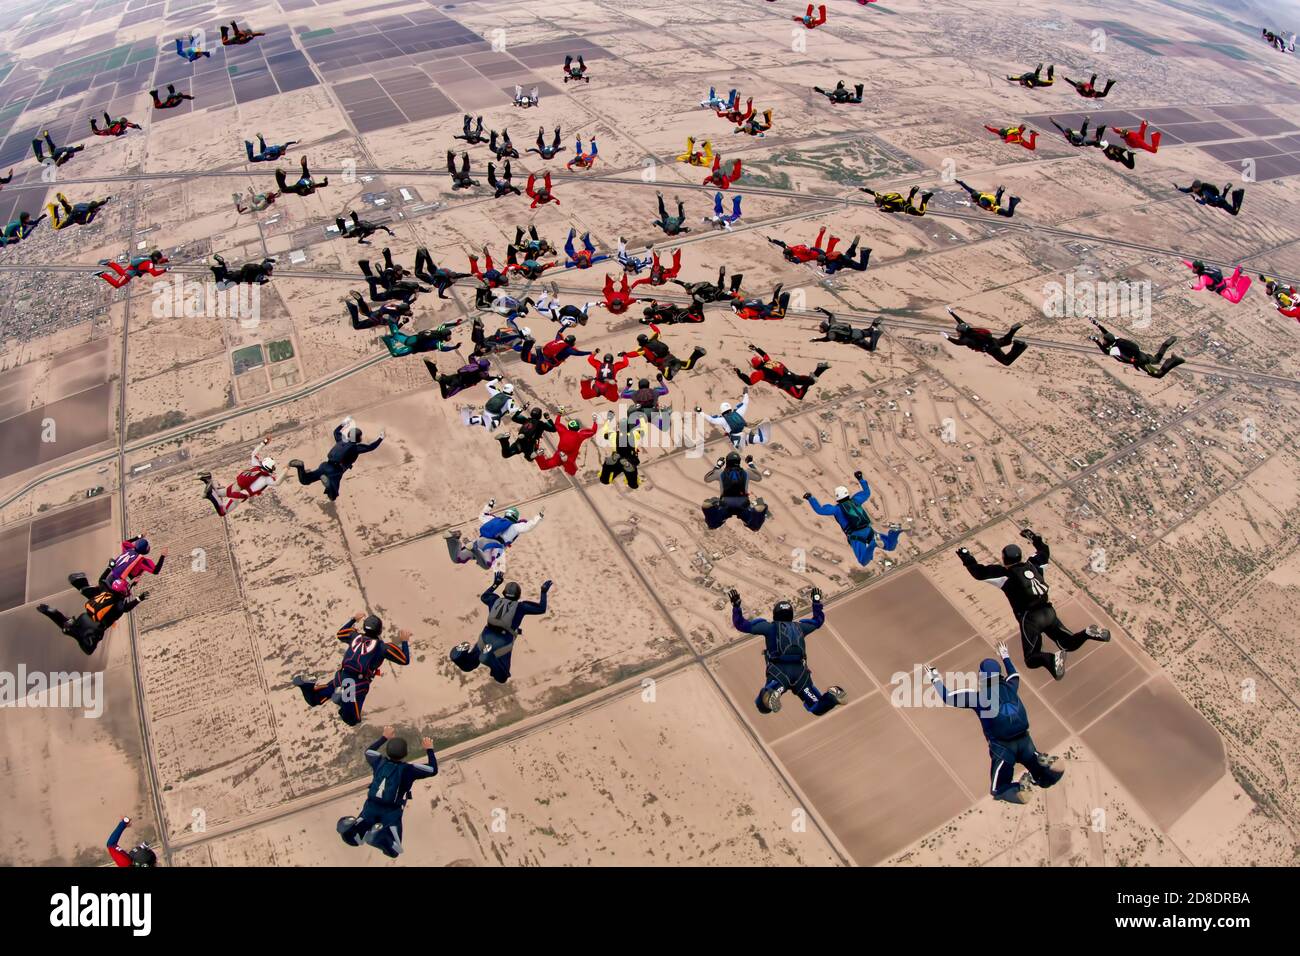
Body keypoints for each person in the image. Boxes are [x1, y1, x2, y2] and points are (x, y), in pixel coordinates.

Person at [957, 529, 1110, 679]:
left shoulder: (1005, 574)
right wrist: (1033, 537)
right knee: (1067, 643)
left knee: (1031, 659)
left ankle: (1051, 659)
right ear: (1020, 556)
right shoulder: (1034, 564)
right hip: (1048, 612)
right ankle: (1087, 633)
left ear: (1004, 559)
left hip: (1030, 619)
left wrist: (965, 556)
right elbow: (1044, 550)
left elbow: (978, 572)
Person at [925, 644, 1063, 804]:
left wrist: (934, 678)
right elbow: (1014, 674)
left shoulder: (978, 698)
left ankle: (1021, 789)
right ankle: (1049, 769)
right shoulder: (1010, 687)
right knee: (1041, 774)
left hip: (1003, 747)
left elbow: (948, 697)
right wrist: (1005, 655)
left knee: (999, 789)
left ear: (982, 676)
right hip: (1025, 742)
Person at [731, 587, 844, 715]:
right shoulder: (801, 627)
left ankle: (772, 694)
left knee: (762, 705)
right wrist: (816, 602)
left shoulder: (769, 627)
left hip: (779, 673)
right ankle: (832, 697)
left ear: (775, 614)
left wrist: (736, 606)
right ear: (791, 614)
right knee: (817, 707)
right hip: (800, 674)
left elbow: (741, 625)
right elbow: (818, 621)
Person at [337, 728, 437, 858]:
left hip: (371, 806)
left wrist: (384, 737)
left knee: (358, 834)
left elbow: (369, 752)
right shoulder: (408, 770)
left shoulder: (379, 762)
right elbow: (433, 769)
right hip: (391, 811)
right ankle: (377, 836)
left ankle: (349, 829)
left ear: (388, 751)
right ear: (405, 754)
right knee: (394, 850)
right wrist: (429, 749)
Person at [294, 613, 411, 725]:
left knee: (315, 699)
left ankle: (306, 685)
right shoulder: (382, 647)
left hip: (341, 676)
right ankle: (344, 697)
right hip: (357, 683)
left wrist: (353, 619)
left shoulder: (354, 636)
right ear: (379, 630)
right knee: (352, 719)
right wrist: (404, 641)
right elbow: (404, 660)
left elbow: (340, 633)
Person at [450, 573, 552, 683]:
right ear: (518, 596)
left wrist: (495, 584)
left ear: (504, 593)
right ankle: (489, 657)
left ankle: (459, 657)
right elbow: (541, 608)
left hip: (486, 634)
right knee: (502, 675)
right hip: (503, 640)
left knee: (470, 664)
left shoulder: (494, 600)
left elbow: (484, 596)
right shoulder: (521, 607)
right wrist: (543, 592)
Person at [804, 471, 903, 565]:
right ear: (847, 493)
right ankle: (895, 532)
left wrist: (810, 498)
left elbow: (820, 510)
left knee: (863, 561)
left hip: (855, 535)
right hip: (869, 531)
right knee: (890, 546)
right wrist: (860, 479)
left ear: (837, 497)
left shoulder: (836, 509)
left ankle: (873, 544)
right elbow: (867, 492)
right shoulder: (856, 500)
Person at [36, 573, 146, 656]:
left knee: (71, 624)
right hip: (95, 627)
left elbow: (102, 579)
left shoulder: (106, 591)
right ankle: (71, 631)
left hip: (84, 617)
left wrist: (110, 567)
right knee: (88, 649)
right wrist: (139, 599)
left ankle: (57, 614)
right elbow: (126, 607)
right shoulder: (119, 604)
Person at [287, 417, 383, 501]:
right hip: (336, 471)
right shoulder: (356, 448)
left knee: (305, 480)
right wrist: (380, 438)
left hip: (325, 465)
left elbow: (336, 431)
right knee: (333, 494)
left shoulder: (341, 440)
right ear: (358, 438)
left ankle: (300, 467)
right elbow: (371, 447)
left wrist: (345, 422)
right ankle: (328, 484)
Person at [447, 499, 546, 570]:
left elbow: (482, 516)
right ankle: (474, 549)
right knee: (486, 564)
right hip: (492, 545)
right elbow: (529, 526)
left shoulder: (494, 520)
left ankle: (451, 539)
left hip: (479, 541)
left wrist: (489, 505)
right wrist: (538, 517)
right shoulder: (515, 526)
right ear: (516, 518)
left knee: (457, 557)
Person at [199, 437, 279, 516]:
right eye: (273, 466)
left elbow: (254, 453)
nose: (274, 468)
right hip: (239, 493)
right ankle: (209, 491)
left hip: (236, 485)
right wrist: (285, 471)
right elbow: (276, 483)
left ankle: (207, 479)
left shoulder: (256, 465)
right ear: (269, 466)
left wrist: (263, 443)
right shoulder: (265, 477)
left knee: (217, 493)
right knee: (222, 511)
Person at [1088, 317, 1185, 378]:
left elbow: (1105, 352)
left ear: (1109, 342)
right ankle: (1166, 345)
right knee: (1156, 360)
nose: (1103, 342)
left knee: (1159, 374)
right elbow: (1106, 332)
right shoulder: (1116, 339)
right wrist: (1097, 324)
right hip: (1141, 354)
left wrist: (1096, 341)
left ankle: (1175, 361)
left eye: (1104, 341)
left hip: (1140, 362)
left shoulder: (1114, 349)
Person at [702, 452, 768, 531]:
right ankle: (758, 511)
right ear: (739, 462)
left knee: (712, 524)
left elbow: (707, 479)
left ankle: (709, 508)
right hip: (742, 503)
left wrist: (718, 466)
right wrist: (750, 463)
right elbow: (758, 477)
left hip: (726, 503)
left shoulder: (720, 473)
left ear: (727, 462)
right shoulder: (747, 473)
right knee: (755, 526)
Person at [736, 344, 828, 400]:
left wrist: (739, 374)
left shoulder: (761, 373)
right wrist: (756, 348)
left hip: (785, 383)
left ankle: (814, 375)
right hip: (790, 375)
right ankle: (820, 369)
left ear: (755, 366)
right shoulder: (768, 361)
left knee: (799, 395)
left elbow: (749, 382)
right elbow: (764, 354)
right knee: (811, 381)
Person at [942, 306, 1026, 366]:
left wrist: (948, 337)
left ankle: (1020, 346)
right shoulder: (970, 330)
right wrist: (951, 312)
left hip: (992, 349)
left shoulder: (966, 339)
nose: (957, 333)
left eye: (958, 332)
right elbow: (961, 322)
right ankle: (1012, 330)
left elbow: (957, 342)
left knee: (1006, 361)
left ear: (962, 332)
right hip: (993, 341)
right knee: (1007, 341)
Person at [625, 323, 706, 380]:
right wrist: (650, 324)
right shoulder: (653, 339)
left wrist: (625, 354)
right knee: (688, 366)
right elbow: (657, 331)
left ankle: (670, 369)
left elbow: (634, 354)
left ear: (639, 342)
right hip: (670, 356)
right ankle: (697, 353)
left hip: (663, 363)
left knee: (668, 377)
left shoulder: (642, 349)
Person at [697, 389, 769, 448]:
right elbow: (745, 403)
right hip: (745, 431)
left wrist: (700, 412)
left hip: (737, 436)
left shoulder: (722, 419)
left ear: (722, 411)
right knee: (763, 440)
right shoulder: (737, 412)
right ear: (730, 408)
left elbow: (711, 419)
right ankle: (760, 429)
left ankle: (741, 442)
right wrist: (745, 393)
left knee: (738, 444)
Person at [535, 415, 600, 476]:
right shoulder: (580, 435)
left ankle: (539, 455)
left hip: (559, 454)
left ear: (569, 427)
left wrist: (559, 414)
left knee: (544, 466)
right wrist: (595, 421)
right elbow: (593, 431)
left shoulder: (563, 431)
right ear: (578, 428)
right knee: (572, 472)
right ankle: (565, 460)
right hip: (569, 457)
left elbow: (557, 423)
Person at [101, 535, 166, 594]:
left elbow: (125, 543)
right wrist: (162, 556)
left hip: (109, 577)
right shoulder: (141, 560)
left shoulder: (128, 549)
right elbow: (156, 570)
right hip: (119, 585)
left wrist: (138, 537)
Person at [598, 414, 647, 488]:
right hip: (630, 459)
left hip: (616, 460)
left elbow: (604, 431)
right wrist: (641, 418)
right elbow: (644, 429)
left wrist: (609, 419)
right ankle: (627, 466)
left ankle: (609, 464)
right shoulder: (635, 434)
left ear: (618, 427)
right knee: (633, 484)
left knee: (604, 480)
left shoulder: (613, 435)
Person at [381, 317, 462, 357]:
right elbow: (443, 349)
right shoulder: (438, 342)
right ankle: (388, 340)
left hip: (413, 338)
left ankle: (391, 321)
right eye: (448, 336)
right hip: (413, 346)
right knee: (395, 353)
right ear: (444, 336)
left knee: (396, 335)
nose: (450, 338)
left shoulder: (439, 330)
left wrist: (455, 324)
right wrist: (454, 347)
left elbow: (444, 325)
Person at [812, 307, 882, 352]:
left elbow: (826, 339)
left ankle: (876, 333)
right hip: (856, 331)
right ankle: (874, 325)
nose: (820, 329)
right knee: (869, 331)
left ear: (825, 328)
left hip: (855, 339)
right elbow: (831, 315)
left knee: (871, 348)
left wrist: (817, 340)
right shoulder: (832, 323)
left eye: (821, 328)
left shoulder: (831, 334)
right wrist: (821, 310)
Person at [1183, 259, 1251, 302]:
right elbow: (1191, 265)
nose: (1192, 269)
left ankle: (1241, 279)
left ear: (1197, 268)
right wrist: (1183, 260)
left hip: (1222, 289)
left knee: (1235, 300)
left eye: (1194, 268)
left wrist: (1192, 286)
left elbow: (1200, 286)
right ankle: (1237, 272)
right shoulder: (1205, 267)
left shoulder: (1203, 276)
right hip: (1224, 281)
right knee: (1232, 283)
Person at [428, 356, 493, 397]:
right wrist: (497, 378)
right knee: (446, 395)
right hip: (458, 384)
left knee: (436, 378)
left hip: (455, 376)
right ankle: (441, 380)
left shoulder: (474, 364)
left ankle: (429, 363)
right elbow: (488, 378)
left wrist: (479, 352)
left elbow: (470, 356)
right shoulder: (482, 374)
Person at [97, 250, 168, 287]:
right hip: (129, 274)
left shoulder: (149, 258)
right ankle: (102, 274)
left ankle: (109, 263)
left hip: (131, 268)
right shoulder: (150, 264)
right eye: (159, 259)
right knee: (117, 284)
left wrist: (167, 260)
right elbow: (154, 274)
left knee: (121, 272)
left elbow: (158, 261)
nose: (160, 261)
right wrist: (165, 270)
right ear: (155, 258)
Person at [1175, 179, 1243, 216]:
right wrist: (1178, 188)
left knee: (1234, 212)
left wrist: (1195, 199)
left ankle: (1237, 194)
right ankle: (1226, 189)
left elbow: (1203, 202)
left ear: (1199, 187)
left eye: (1194, 188)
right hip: (1216, 199)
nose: (1193, 190)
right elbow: (1186, 190)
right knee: (1222, 197)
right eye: (1193, 188)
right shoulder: (1195, 188)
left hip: (1219, 202)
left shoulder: (1205, 193)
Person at [955, 180, 1020, 217]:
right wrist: (960, 183)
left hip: (995, 207)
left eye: (973, 199)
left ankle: (1012, 201)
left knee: (1009, 214)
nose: (972, 200)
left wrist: (980, 204)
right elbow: (968, 188)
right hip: (994, 199)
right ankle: (1000, 191)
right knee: (997, 198)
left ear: (976, 198)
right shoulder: (977, 194)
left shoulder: (982, 200)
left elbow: (988, 206)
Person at [860, 185, 931, 215]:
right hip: (903, 204)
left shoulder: (887, 203)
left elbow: (891, 210)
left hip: (905, 207)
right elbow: (873, 193)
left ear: (880, 202)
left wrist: (883, 210)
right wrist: (865, 190)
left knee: (921, 213)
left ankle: (925, 198)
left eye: (878, 204)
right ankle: (913, 190)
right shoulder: (881, 197)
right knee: (909, 202)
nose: (878, 205)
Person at [209, 252, 274, 285]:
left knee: (225, 274)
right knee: (222, 283)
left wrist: (272, 260)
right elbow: (258, 283)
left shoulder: (261, 267)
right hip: (236, 278)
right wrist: (267, 280)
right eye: (270, 271)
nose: (271, 272)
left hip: (237, 274)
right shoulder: (258, 274)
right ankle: (216, 267)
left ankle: (220, 262)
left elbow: (265, 261)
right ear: (266, 270)